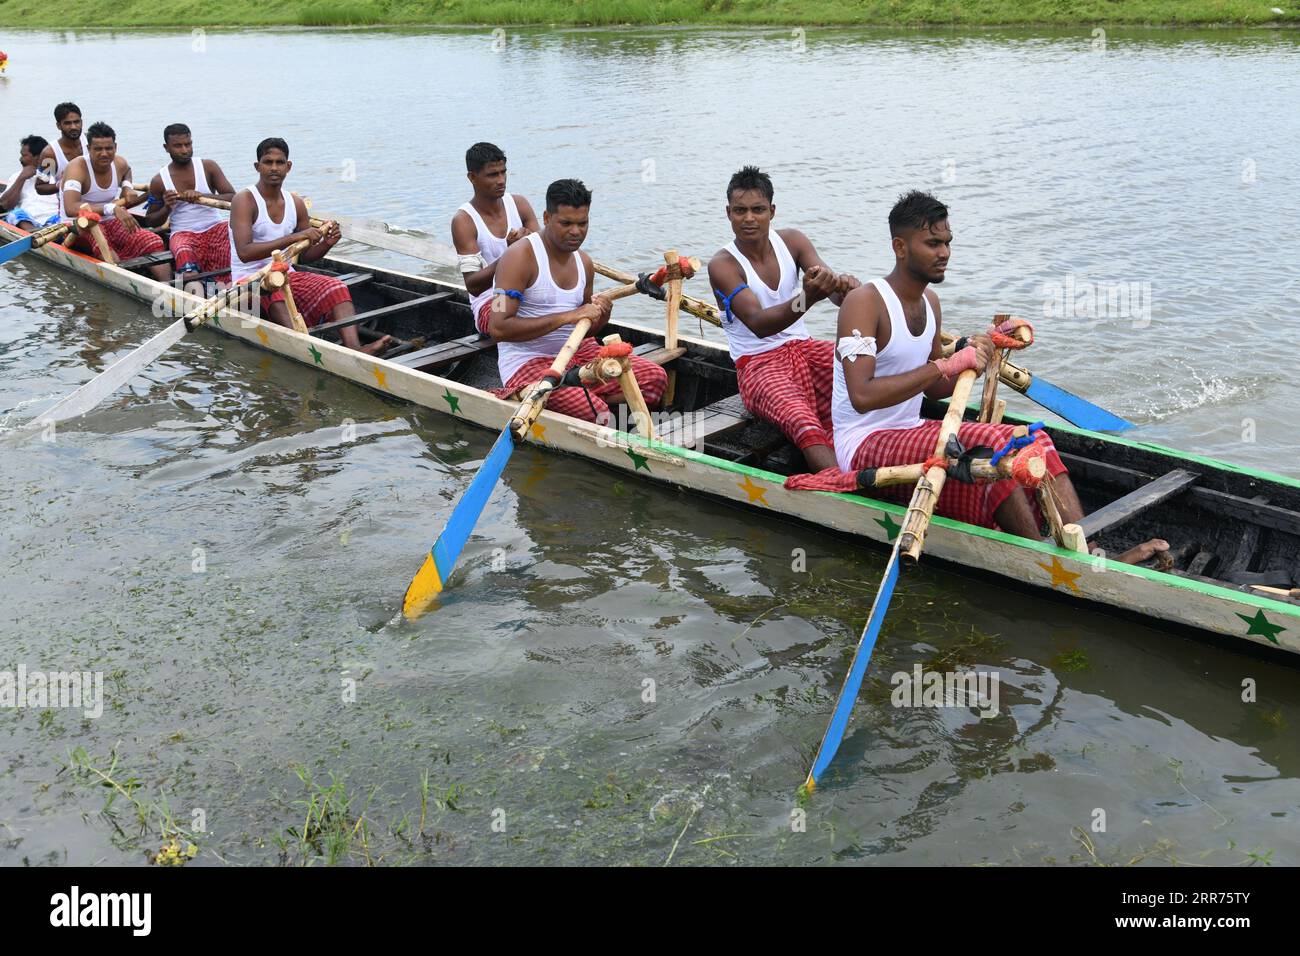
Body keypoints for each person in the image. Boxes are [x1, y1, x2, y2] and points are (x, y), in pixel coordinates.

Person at [805, 189, 1166, 563]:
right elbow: (862, 395)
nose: (944, 252)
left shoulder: (930, 303)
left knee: (1034, 440)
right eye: (932, 243)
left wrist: (972, 361)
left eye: (947, 242)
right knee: (994, 452)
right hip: (864, 445)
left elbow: (934, 390)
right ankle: (1043, 562)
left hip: (909, 429)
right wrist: (944, 365)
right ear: (900, 247)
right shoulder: (863, 303)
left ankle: (1089, 552)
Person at [707, 166, 857, 471]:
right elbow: (760, 324)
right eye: (741, 211)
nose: (749, 218)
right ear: (728, 213)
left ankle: (865, 456)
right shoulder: (722, 265)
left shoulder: (793, 242)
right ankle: (840, 487)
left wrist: (851, 291)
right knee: (801, 419)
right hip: (757, 364)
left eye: (758, 210)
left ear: (772, 211)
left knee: (864, 372)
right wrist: (808, 297)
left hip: (804, 348)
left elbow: (838, 297)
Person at [487, 178, 666, 424]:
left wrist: (602, 317)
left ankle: (586, 399)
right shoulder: (516, 258)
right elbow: (497, 328)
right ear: (547, 218)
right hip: (529, 361)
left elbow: (585, 329)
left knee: (655, 379)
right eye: (566, 223)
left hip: (580, 354)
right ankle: (590, 405)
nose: (576, 231)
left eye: (583, 223)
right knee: (595, 412)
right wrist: (566, 317)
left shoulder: (584, 262)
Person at [228, 137, 390, 354]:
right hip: (248, 280)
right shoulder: (244, 200)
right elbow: (245, 252)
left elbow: (304, 257)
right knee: (275, 292)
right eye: (268, 162)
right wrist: (293, 238)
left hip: (286, 274)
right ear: (257, 167)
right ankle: (305, 348)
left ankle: (355, 349)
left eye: (279, 162)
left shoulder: (295, 204)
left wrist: (328, 243)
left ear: (289, 167)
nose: (274, 168)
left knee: (336, 287)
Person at [60, 122, 169, 279]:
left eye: (109, 148)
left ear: (115, 147)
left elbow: (127, 171)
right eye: (98, 149)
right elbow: (71, 207)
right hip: (80, 225)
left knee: (154, 241)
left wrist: (127, 186)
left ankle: (166, 287)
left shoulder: (119, 163)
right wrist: (112, 209)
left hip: (110, 220)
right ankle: (124, 277)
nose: (104, 154)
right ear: (88, 148)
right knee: (109, 254)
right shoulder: (77, 167)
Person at [451, 142, 540, 333]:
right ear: (472, 178)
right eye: (493, 175)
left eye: (503, 172)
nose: (501, 180)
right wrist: (511, 255)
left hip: (526, 293)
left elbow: (546, 256)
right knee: (515, 316)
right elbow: (473, 285)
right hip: (493, 299)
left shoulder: (520, 204)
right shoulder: (464, 221)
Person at [143, 123, 236, 275]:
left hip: (215, 227)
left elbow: (233, 198)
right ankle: (193, 284)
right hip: (183, 233)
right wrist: (167, 207)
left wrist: (201, 195)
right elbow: (151, 221)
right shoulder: (159, 181)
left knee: (234, 250)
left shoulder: (208, 167)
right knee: (188, 269)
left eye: (188, 144)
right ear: (166, 148)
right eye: (178, 146)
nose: (185, 150)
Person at [1, 135, 60, 228]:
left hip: (53, 222)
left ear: (38, 157)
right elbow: (5, 204)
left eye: (24, 155)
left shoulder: (56, 175)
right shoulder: (17, 176)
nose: (20, 159)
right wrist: (22, 178)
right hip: (28, 224)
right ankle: (34, 235)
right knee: (15, 214)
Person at [34, 102, 88, 195]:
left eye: (76, 122)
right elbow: (40, 187)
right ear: (58, 126)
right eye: (67, 123)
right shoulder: (50, 154)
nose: (73, 127)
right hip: (69, 205)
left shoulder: (90, 141)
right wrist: (61, 184)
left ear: (81, 122)